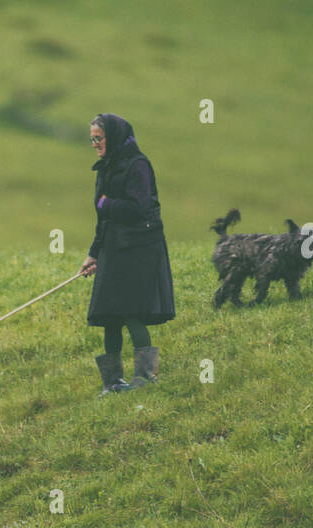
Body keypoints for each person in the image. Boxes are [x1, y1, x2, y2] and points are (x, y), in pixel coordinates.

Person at [79, 113, 176, 395]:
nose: (95, 144)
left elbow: (138, 207)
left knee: (132, 312)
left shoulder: (138, 165)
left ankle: (145, 379)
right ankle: (112, 383)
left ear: (114, 136)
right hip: (113, 248)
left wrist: (106, 204)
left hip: (139, 249)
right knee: (110, 316)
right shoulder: (105, 167)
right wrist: (94, 253)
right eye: (92, 140)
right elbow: (103, 218)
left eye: (99, 138)